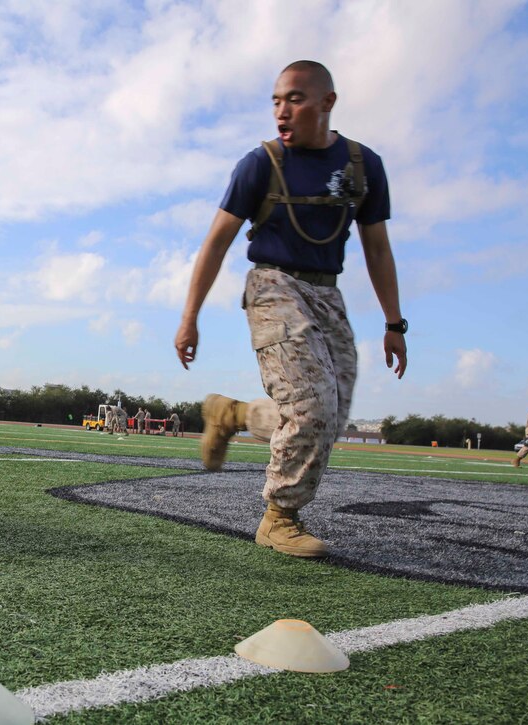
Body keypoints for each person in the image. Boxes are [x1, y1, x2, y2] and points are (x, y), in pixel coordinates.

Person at [174, 60, 407, 558]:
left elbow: (378, 249)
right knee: (314, 406)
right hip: (273, 285)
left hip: (328, 293)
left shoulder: (364, 167)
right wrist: (189, 316)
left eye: (295, 99)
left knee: (330, 417)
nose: (283, 110)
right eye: (277, 100)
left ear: (328, 103)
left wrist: (394, 323)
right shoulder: (259, 164)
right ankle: (279, 517)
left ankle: (233, 414)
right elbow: (216, 243)